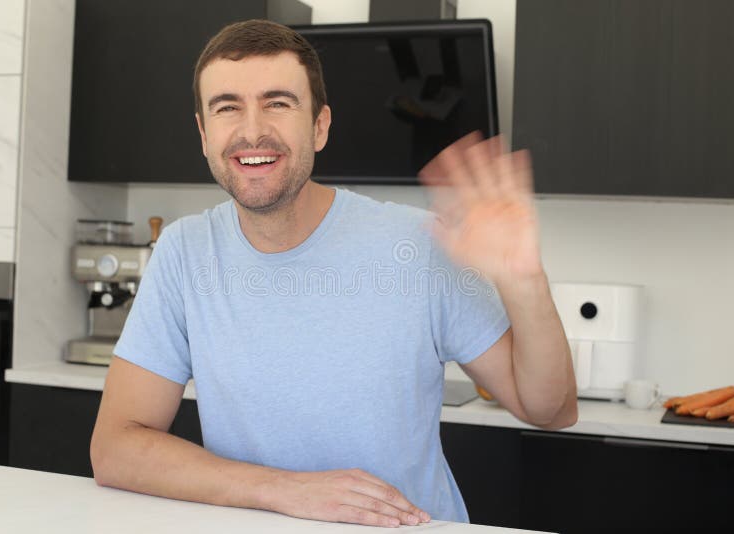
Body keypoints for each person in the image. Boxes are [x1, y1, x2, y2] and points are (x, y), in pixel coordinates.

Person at [90, 19, 577, 528]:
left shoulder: (418, 244)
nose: (252, 129)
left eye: (278, 103)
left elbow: (551, 410)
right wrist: (284, 491)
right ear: (204, 133)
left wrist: (524, 278)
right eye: (228, 107)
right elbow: (115, 449)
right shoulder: (184, 252)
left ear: (320, 126)